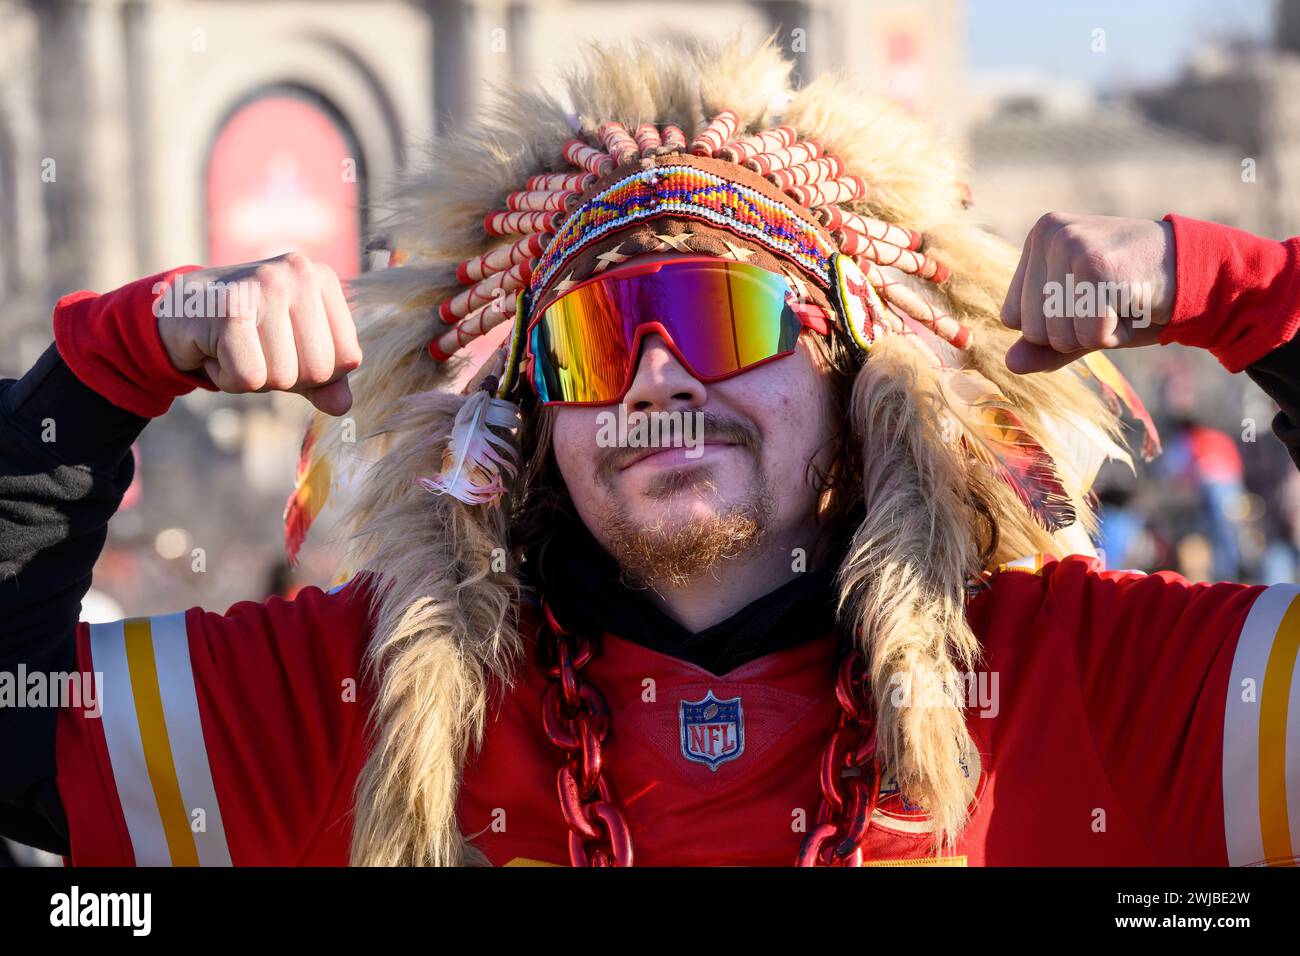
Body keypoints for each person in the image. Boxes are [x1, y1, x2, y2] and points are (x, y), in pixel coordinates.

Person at [2, 36, 1299, 867]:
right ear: (531, 411)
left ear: (857, 377)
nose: (660, 376)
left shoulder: (1075, 677)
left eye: (719, 314)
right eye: (594, 338)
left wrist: (1256, 302)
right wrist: (111, 365)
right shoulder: (370, 691)